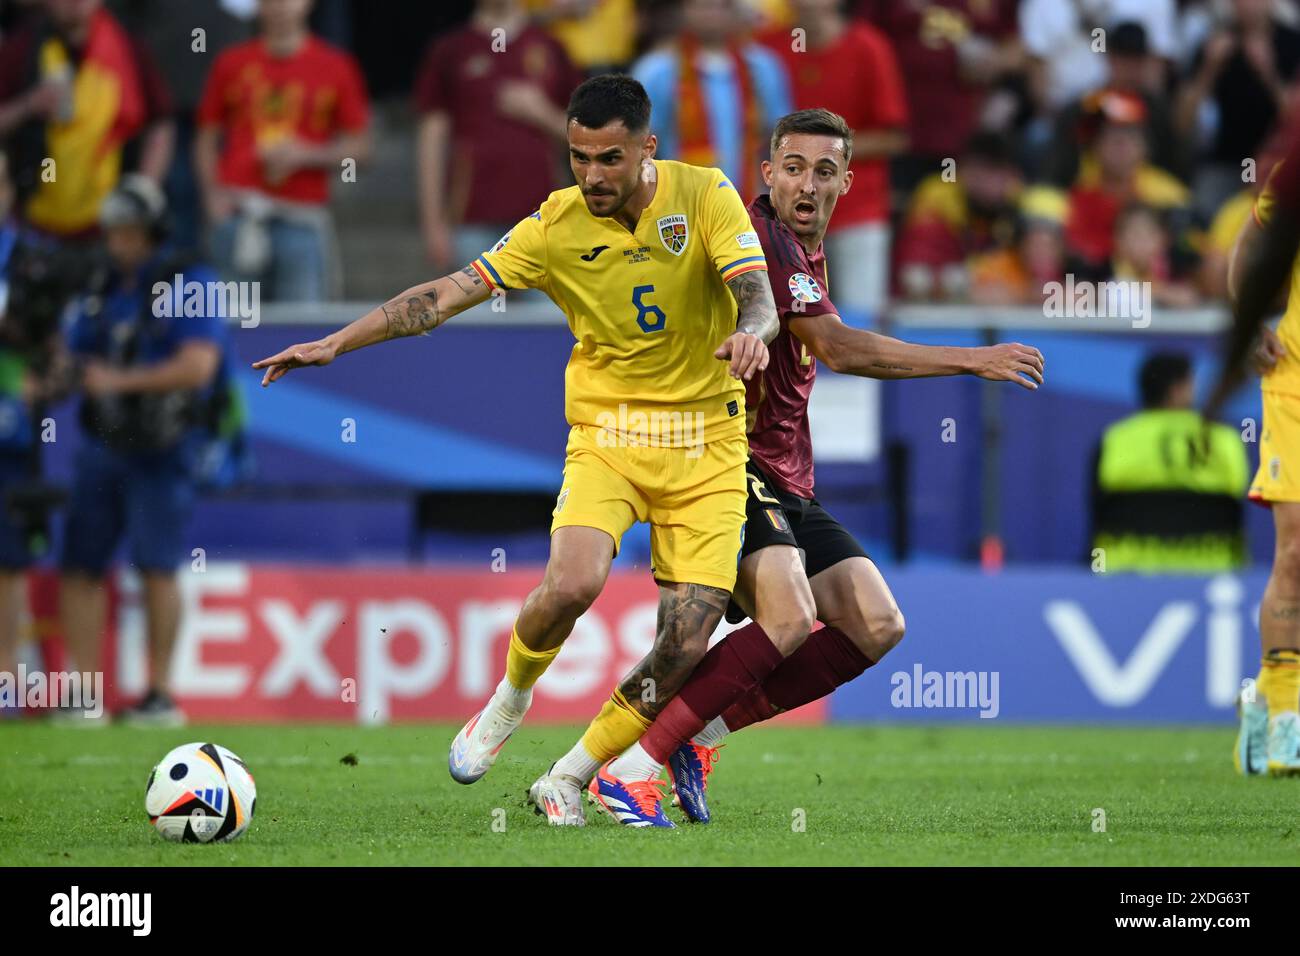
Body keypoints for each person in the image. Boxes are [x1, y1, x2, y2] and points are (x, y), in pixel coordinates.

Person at [250, 75, 779, 821]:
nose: (592, 175)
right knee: (571, 585)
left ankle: (572, 774)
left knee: (685, 639)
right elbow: (445, 295)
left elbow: (757, 295)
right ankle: (507, 702)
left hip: (708, 443)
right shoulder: (554, 226)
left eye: (609, 158)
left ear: (646, 148)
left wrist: (752, 336)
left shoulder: (704, 195)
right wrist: (339, 342)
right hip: (611, 435)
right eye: (578, 157)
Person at [579, 108, 1043, 827]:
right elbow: (840, 348)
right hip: (725, 461)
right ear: (767, 175)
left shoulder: (804, 252)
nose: (807, 183)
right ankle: (629, 771)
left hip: (785, 479)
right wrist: (969, 357)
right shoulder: (760, 239)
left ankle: (697, 735)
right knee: (782, 618)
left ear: (847, 182)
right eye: (793, 167)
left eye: (825, 171)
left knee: (875, 624)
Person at [59, 175, 228, 726]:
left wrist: (116, 381)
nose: (118, 242)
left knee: (158, 566)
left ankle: (159, 693)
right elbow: (73, 357)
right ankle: (83, 696)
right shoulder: (102, 285)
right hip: (104, 443)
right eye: (112, 232)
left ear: (152, 230)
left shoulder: (191, 279)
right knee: (80, 564)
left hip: (164, 443)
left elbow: (198, 365)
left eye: (129, 231)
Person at [1210, 115, 1300, 776]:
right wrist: (1250, 316)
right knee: (1295, 549)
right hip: (1295, 379)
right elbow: (1247, 245)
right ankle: (1286, 711)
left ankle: (1264, 709)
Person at [194, 0, 371, 302]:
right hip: (239, 214)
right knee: (233, 329)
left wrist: (306, 154)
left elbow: (361, 148)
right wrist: (212, 197)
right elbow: (205, 137)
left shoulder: (335, 64)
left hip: (301, 219)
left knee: (302, 334)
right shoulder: (231, 62)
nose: (279, 5)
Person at [756, 0, 907, 324]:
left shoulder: (868, 47)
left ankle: (863, 378)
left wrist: (819, 152)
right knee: (785, 319)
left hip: (857, 209)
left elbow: (894, 135)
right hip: (785, 210)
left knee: (860, 318)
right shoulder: (767, 48)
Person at [415, 0, 580, 271]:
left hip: (544, 220)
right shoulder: (450, 50)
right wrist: (433, 223)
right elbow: (432, 140)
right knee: (477, 314)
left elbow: (587, 136)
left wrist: (542, 113)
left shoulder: (551, 46)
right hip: (471, 218)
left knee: (546, 315)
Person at [0, 0, 174, 240]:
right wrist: (29, 105)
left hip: (109, 223)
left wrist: (143, 188)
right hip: (34, 220)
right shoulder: (22, 47)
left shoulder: (126, 44)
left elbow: (161, 123)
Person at [1091, 352, 1247, 575]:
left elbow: (1097, 515)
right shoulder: (1225, 439)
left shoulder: (1114, 440)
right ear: (1178, 389)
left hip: (1126, 572)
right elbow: (1236, 507)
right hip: (1212, 570)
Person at [631, 0, 791, 201]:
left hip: (750, 200)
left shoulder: (762, 66)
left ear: (733, 10)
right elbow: (638, 143)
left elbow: (782, 135)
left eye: (718, 5)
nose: (709, 12)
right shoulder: (657, 70)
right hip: (681, 200)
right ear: (683, 11)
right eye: (700, 5)